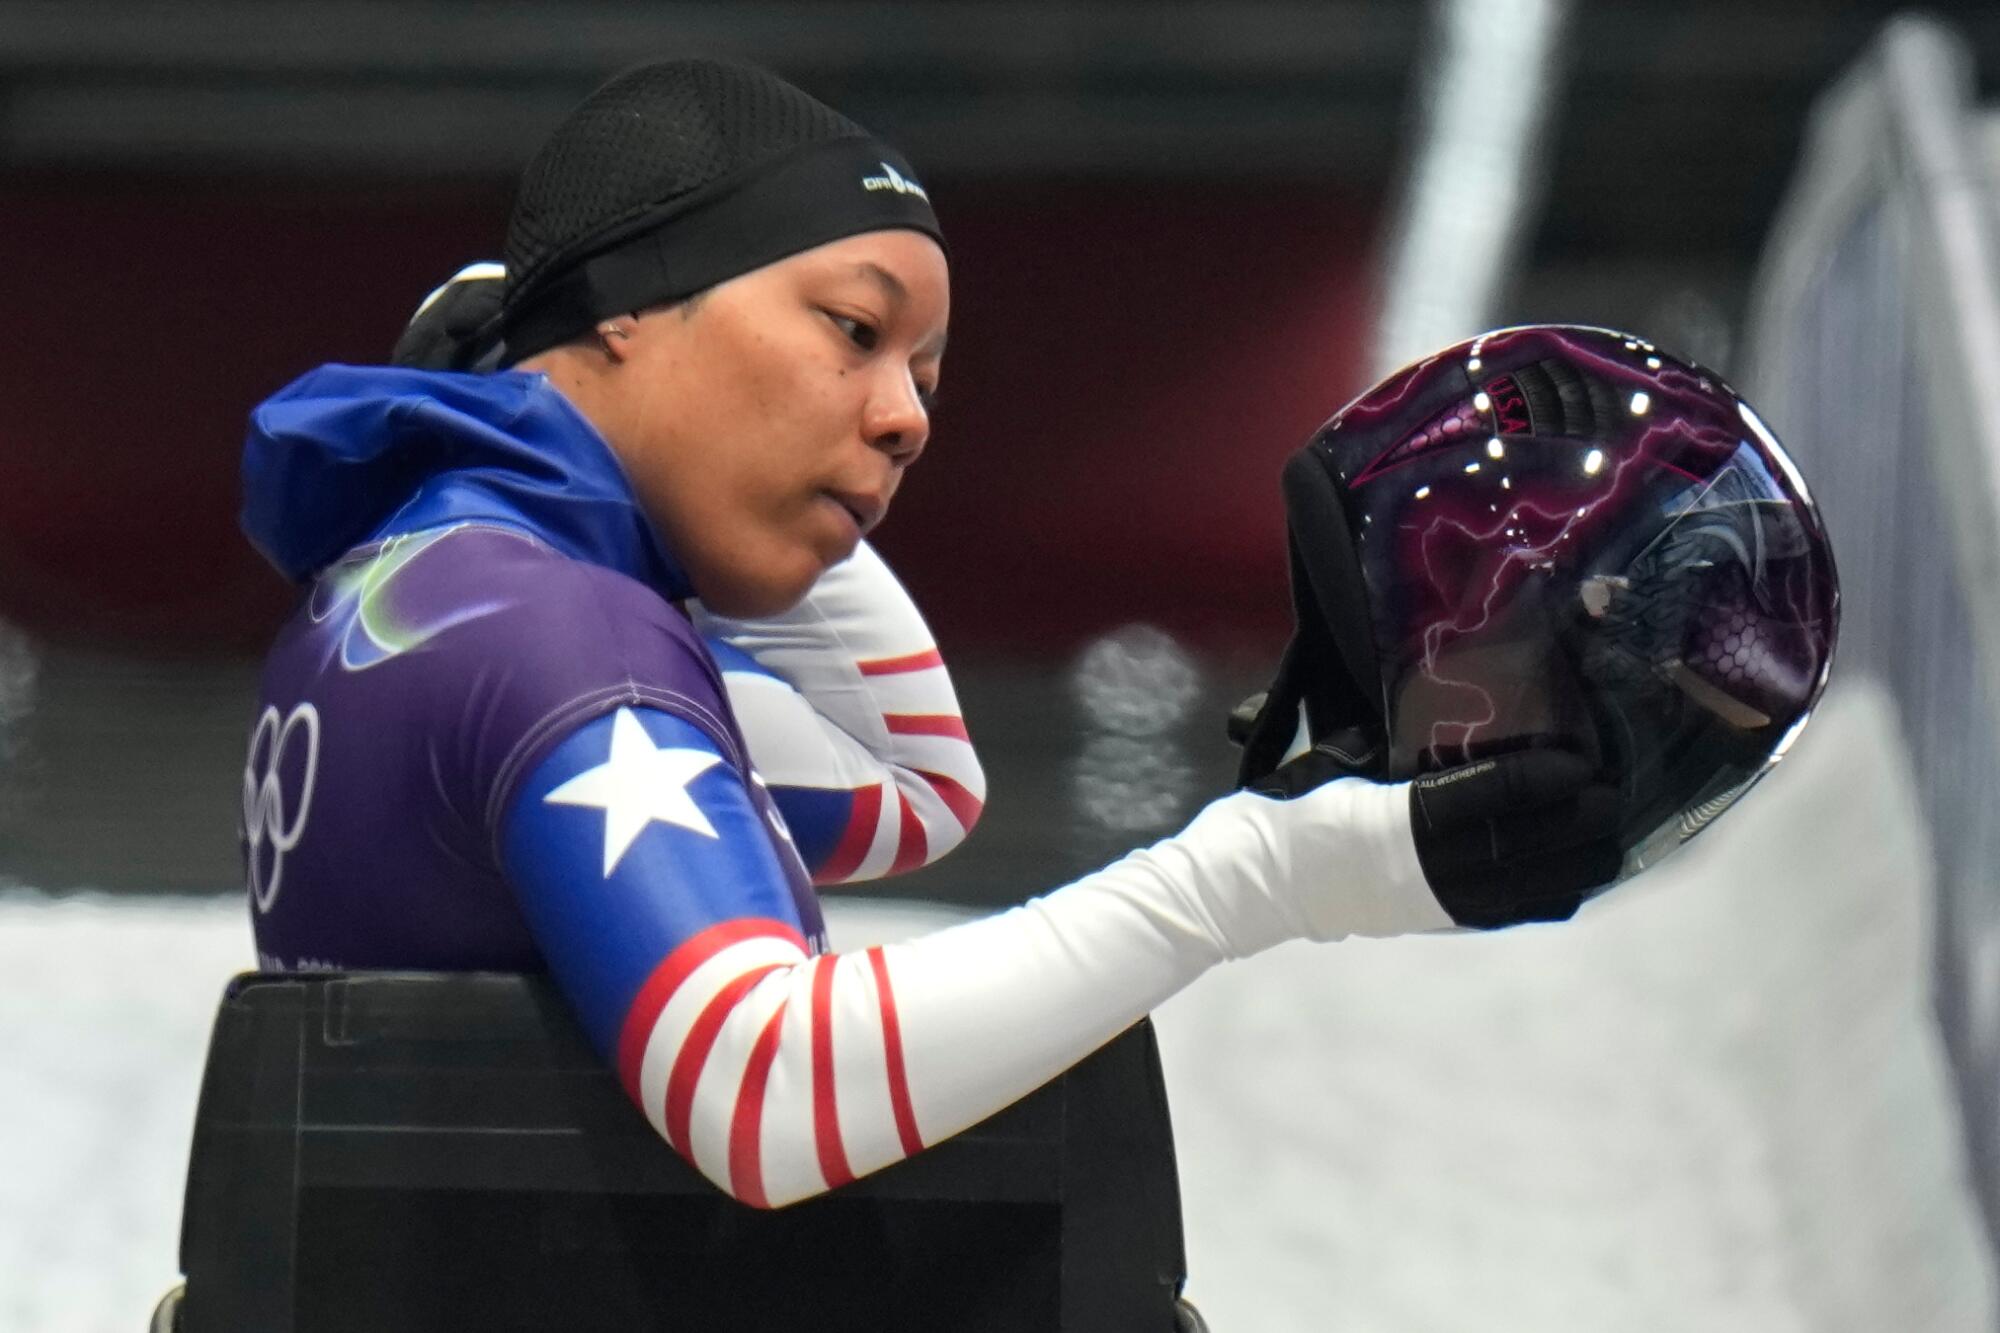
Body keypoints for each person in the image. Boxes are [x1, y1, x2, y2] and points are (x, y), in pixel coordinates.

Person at [238, 57, 1619, 1211]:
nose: (909, 418)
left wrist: (615, 421)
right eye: (853, 328)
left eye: (924, 376)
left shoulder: (429, 586)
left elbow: (914, 782)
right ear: (626, 308)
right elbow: (762, 1090)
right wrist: (1254, 880)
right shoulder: (562, 635)